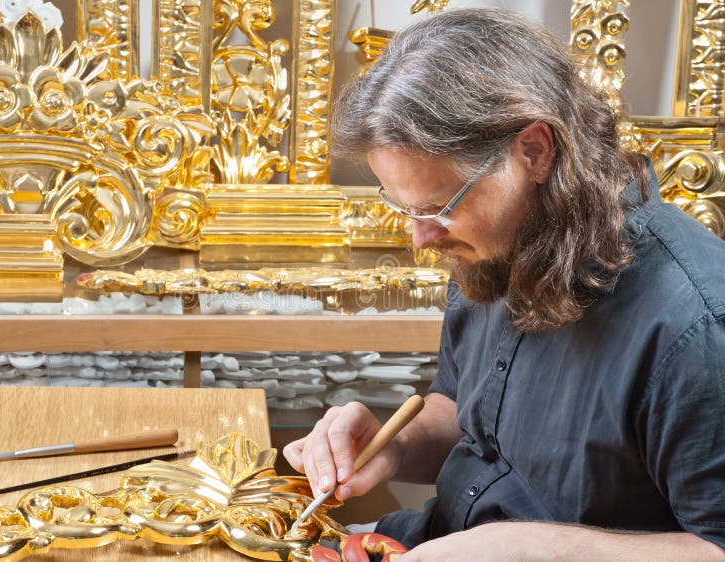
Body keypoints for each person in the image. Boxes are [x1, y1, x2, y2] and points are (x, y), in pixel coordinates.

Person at [284, 7, 725, 560]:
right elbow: (463, 413)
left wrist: (536, 549)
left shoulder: (697, 323)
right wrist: (392, 445)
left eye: (437, 207)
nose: (421, 237)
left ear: (535, 151)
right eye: (403, 207)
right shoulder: (493, 245)